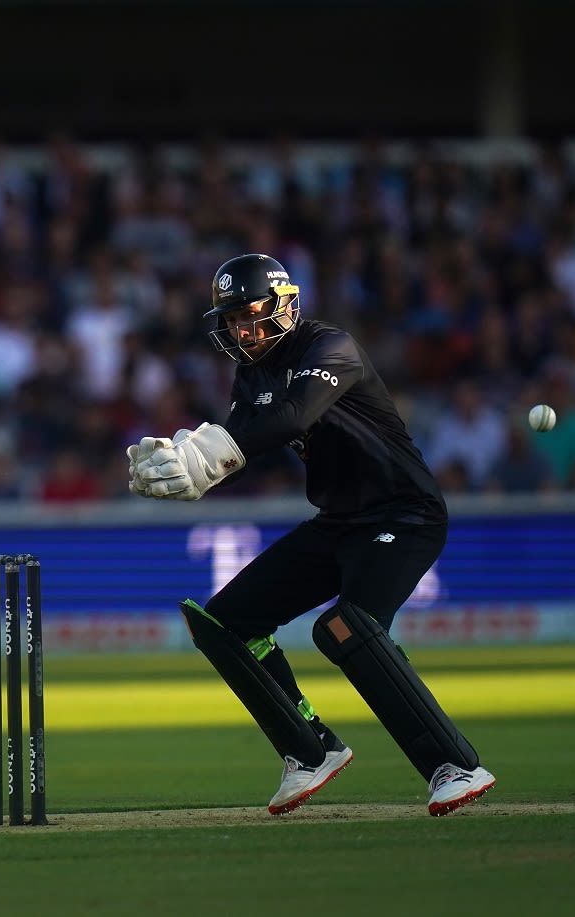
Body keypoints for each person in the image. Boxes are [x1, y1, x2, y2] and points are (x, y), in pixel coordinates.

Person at [127, 253, 496, 817]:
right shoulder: (251, 372)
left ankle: (454, 765)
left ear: (283, 306)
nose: (241, 331)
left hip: (404, 515)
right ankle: (309, 747)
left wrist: (210, 452)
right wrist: (186, 464)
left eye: (251, 316)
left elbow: (292, 418)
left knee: (347, 628)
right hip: (338, 522)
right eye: (231, 320)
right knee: (226, 623)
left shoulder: (330, 346)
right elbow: (245, 440)